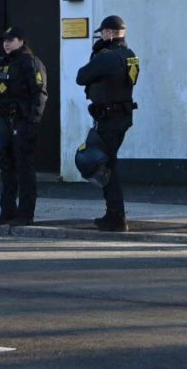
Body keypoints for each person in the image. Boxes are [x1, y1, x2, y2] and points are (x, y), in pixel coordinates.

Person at [0, 24, 48, 227]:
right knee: (6, 168)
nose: (6, 44)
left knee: (24, 169)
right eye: (4, 40)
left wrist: (33, 122)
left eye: (11, 40)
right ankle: (7, 211)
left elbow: (39, 95)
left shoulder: (30, 63)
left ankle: (25, 213)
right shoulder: (0, 65)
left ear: (22, 41)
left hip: (23, 122)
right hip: (3, 124)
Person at [75, 14, 139, 232]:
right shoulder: (130, 55)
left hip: (108, 118)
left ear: (110, 33)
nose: (101, 36)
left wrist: (96, 57)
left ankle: (116, 216)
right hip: (122, 117)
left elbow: (81, 76)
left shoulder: (106, 57)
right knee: (108, 163)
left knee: (101, 165)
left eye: (103, 32)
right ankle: (114, 214)